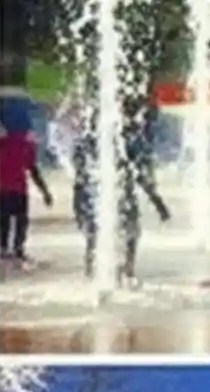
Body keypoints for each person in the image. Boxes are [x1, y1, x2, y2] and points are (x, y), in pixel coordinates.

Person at [72, 101, 171, 284]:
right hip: (115, 194)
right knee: (123, 233)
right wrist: (158, 203)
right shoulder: (124, 140)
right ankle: (124, 270)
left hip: (106, 194)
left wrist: (77, 205)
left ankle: (97, 272)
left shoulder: (91, 141)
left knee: (103, 233)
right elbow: (139, 174)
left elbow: (79, 179)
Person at [0, 124, 52, 261]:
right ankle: (18, 247)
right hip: (18, 188)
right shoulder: (27, 146)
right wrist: (45, 191)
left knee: (4, 220)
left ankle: (3, 247)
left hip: (2, 188)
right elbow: (33, 170)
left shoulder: (0, 144)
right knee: (21, 220)